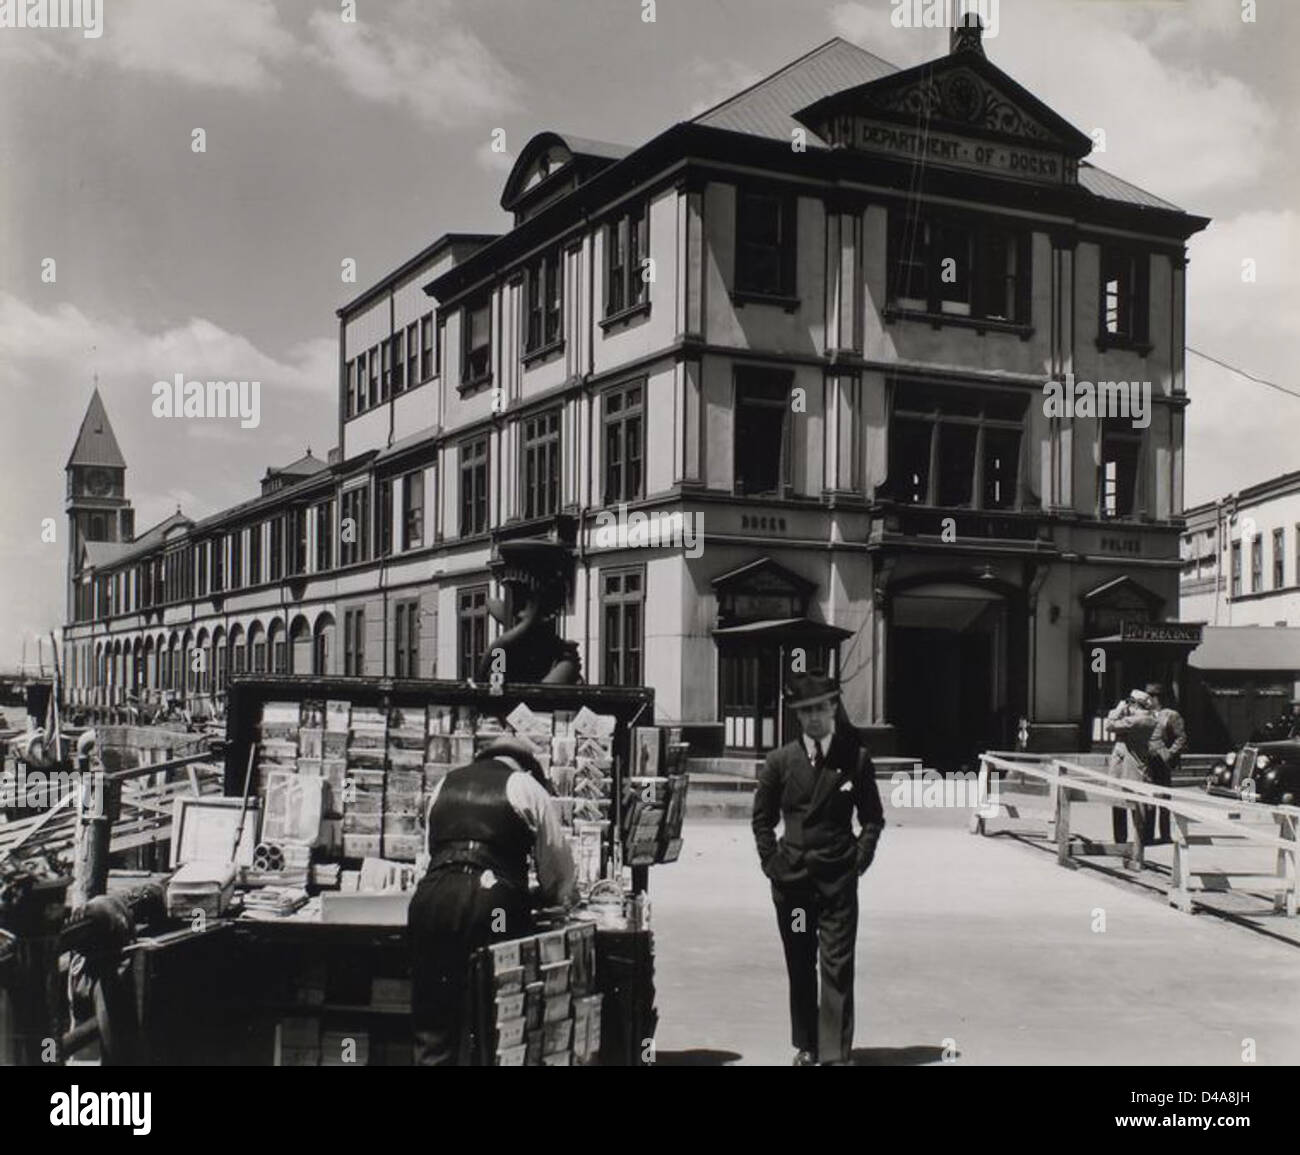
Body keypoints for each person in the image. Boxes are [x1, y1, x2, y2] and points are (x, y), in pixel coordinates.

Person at [408, 735, 577, 1065]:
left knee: (433, 1020)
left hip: (431, 900)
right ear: (526, 766)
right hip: (493, 906)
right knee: (492, 1016)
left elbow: (431, 850)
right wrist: (548, 897)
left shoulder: (446, 783)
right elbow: (557, 871)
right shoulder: (526, 787)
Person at [751, 672, 885, 1066]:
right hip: (792, 887)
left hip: (837, 885)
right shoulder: (779, 762)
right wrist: (772, 863)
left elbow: (873, 818)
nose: (813, 717)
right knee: (800, 960)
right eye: (805, 710)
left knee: (837, 966)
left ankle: (834, 1055)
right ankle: (807, 1045)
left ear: (833, 708)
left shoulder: (855, 758)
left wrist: (857, 861)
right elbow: (761, 820)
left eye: (820, 708)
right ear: (796, 715)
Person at [1106, 688, 1158, 866]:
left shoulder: (1136, 720)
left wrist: (1119, 709)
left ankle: (1124, 848)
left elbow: (1110, 724)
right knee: (1137, 813)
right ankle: (1137, 850)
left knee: (1122, 809)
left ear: (1135, 704)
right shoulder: (1150, 718)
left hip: (1127, 771)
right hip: (1137, 770)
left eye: (1130, 703)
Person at [1145, 683, 1185, 845]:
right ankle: (1147, 835)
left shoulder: (1170, 715)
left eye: (1150, 696)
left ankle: (1164, 834)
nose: (1147, 700)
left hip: (1162, 761)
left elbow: (1181, 738)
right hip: (1147, 761)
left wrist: (1170, 753)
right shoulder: (1145, 714)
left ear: (1156, 697)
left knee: (1163, 799)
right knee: (1147, 797)